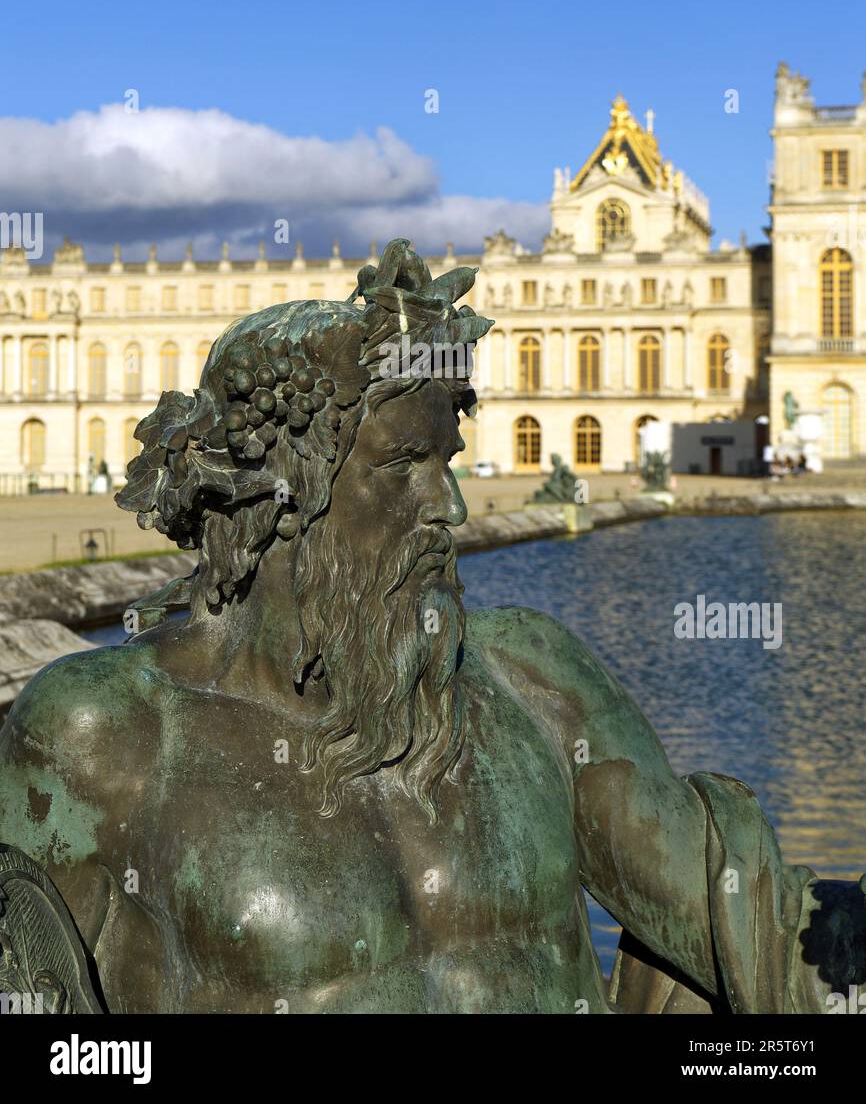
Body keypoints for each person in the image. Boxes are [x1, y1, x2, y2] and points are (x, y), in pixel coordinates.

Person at [0, 240, 863, 1015]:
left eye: (445, 461)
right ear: (281, 493)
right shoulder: (102, 735)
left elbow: (763, 925)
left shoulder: (532, 678)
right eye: (405, 464)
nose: (448, 504)